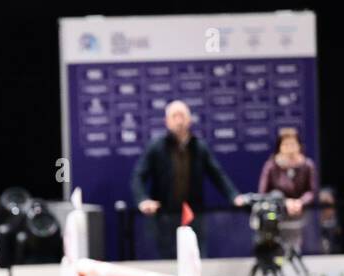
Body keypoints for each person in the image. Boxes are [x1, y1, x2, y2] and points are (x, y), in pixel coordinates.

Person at [130, 100, 245, 257]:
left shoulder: (199, 147)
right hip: (165, 218)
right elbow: (138, 176)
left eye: (182, 115)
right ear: (167, 121)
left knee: (196, 258)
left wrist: (234, 196)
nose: (179, 120)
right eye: (174, 116)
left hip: (195, 216)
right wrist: (143, 199)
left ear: (189, 120)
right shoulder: (156, 147)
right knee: (168, 261)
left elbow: (218, 175)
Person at [257, 128, 317, 251]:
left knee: (300, 248)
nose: (289, 148)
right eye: (285, 144)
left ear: (299, 146)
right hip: (277, 215)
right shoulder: (271, 166)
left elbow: (312, 191)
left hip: (302, 214)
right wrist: (284, 202)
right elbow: (263, 192)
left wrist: (300, 202)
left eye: (293, 144)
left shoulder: (307, 165)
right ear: (279, 147)